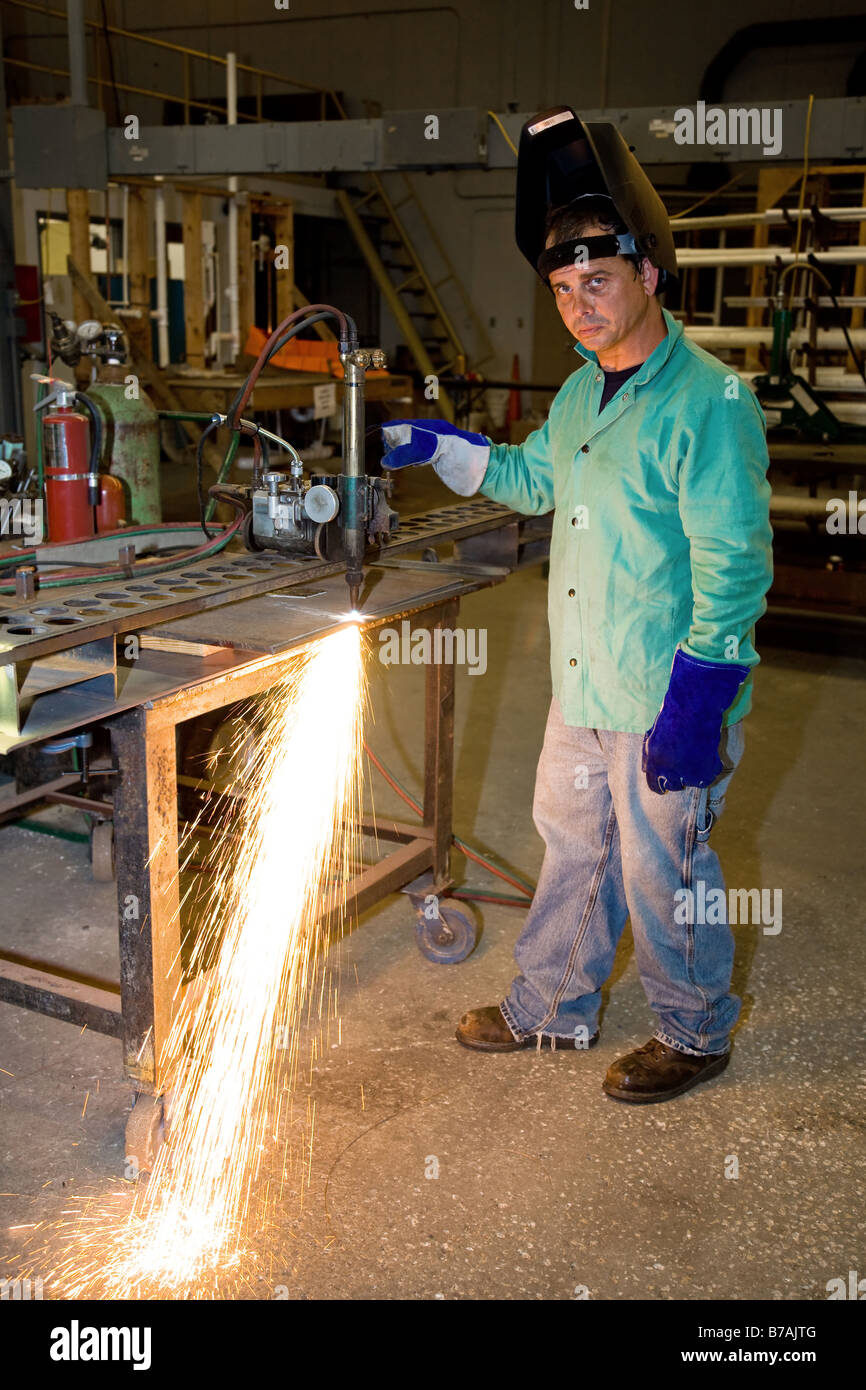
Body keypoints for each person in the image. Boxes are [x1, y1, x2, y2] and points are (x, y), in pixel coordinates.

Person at [380, 108, 773, 1104]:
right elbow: (530, 479)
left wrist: (699, 696)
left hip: (663, 687)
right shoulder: (577, 395)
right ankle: (551, 999)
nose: (575, 305)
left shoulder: (708, 403)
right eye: (559, 288)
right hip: (580, 679)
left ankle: (690, 1031)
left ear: (649, 272)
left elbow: (733, 565)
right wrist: (447, 449)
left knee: (661, 868)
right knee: (572, 843)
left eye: (594, 280)